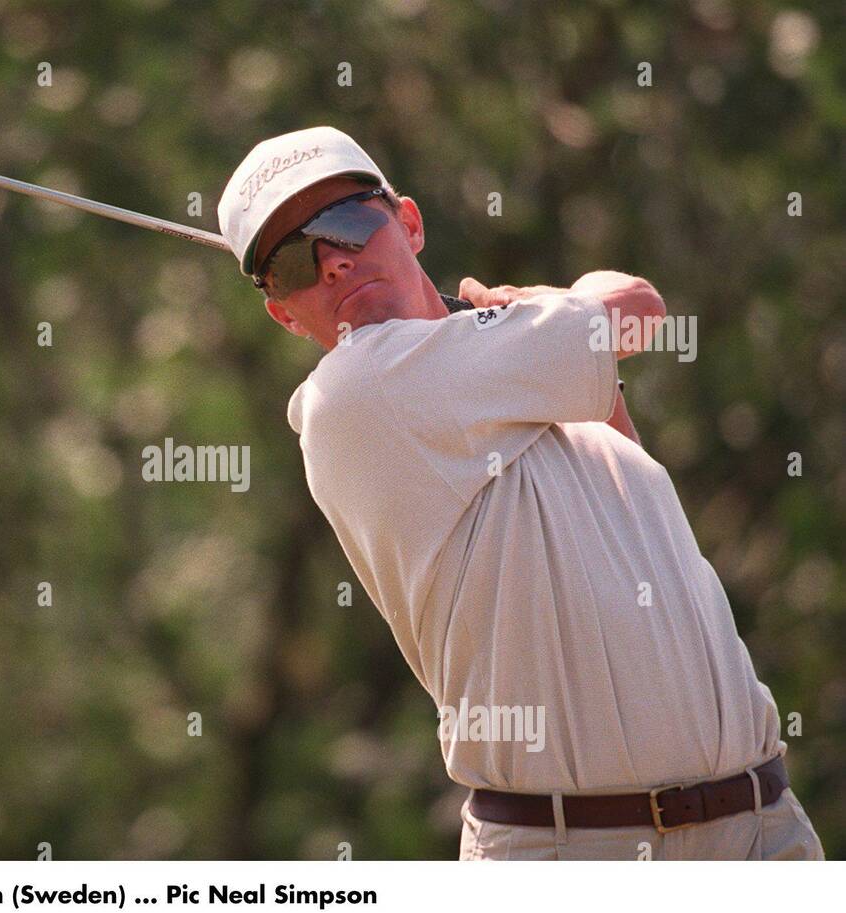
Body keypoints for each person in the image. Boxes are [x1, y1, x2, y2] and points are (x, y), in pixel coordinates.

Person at [217, 127, 823, 860]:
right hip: (571, 854)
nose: (334, 260)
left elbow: (626, 476)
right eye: (290, 263)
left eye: (346, 221)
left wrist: (537, 334)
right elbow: (637, 304)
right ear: (283, 311)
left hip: (760, 830)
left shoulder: (541, 379)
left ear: (408, 222)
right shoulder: (353, 392)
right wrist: (554, 306)